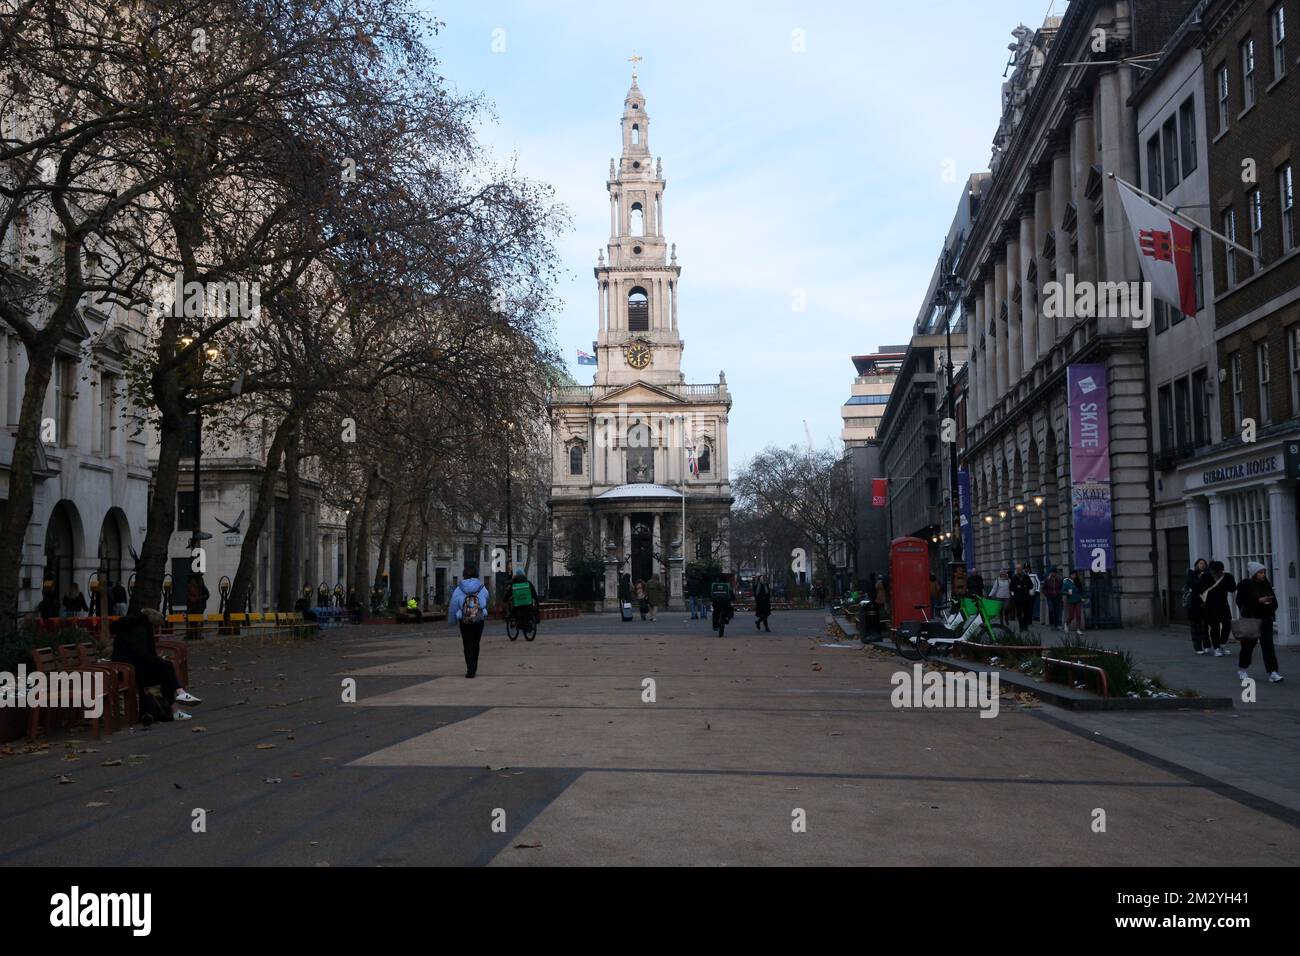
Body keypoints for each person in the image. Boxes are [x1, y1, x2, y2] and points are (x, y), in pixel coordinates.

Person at [112, 608, 201, 722]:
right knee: (165, 668)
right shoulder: (139, 631)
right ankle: (177, 699)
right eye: (156, 627)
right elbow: (141, 654)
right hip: (127, 669)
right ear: (152, 623)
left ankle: (169, 708)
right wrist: (158, 661)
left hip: (130, 666)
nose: (157, 631)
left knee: (162, 671)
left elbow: (139, 654)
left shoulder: (133, 627)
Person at [1235, 562, 1283, 682]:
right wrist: (1258, 600)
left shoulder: (1266, 584)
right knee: (1248, 646)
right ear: (1254, 574)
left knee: (1268, 646)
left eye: (1264, 572)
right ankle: (1242, 669)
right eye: (1260, 572)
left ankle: (1272, 672)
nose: (1263, 575)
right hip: (1251, 619)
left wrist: (1269, 603)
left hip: (1266, 619)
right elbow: (1240, 601)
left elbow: (1274, 602)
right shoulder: (1247, 585)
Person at [449, 563, 489, 678]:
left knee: (467, 643)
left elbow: (453, 606)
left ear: (463, 575)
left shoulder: (458, 589)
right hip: (478, 620)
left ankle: (470, 669)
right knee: (476, 643)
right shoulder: (482, 588)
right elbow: (486, 601)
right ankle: (475, 666)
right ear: (477, 575)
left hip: (464, 619)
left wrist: (452, 621)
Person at [1196, 560, 1235, 657]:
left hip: (1223, 605)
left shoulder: (1227, 577)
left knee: (1227, 624)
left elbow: (1232, 588)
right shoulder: (1206, 577)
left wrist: (1224, 585)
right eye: (1213, 571)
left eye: (1217, 571)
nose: (1215, 573)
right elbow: (1199, 589)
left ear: (1221, 571)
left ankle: (1222, 644)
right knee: (1215, 627)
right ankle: (1216, 647)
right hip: (1210, 606)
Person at [1184, 558, 1210, 654]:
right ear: (1196, 565)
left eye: (1204, 563)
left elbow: (1208, 586)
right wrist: (1201, 579)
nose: (1202, 565)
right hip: (1194, 604)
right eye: (1200, 563)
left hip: (1204, 603)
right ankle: (1198, 647)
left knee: (1204, 626)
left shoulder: (1207, 574)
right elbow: (1193, 584)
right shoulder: (1192, 574)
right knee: (1195, 626)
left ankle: (1207, 645)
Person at [507, 567, 538, 632]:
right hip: (528, 604)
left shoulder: (514, 584)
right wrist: (537, 602)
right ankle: (528, 624)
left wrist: (504, 599)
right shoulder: (528, 583)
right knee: (529, 612)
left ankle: (518, 623)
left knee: (513, 612)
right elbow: (534, 593)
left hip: (518, 605)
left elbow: (508, 593)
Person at [1010, 563, 1034, 635]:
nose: (1018, 570)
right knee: (1019, 613)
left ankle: (1025, 625)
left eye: (1020, 569)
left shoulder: (1026, 577)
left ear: (1022, 569)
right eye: (1017, 569)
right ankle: (1021, 626)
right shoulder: (1014, 577)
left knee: (1026, 613)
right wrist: (1017, 587)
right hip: (1018, 598)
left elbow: (1031, 586)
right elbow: (1011, 588)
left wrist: (1023, 586)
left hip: (1026, 598)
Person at [1063, 569, 1085, 636]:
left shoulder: (1078, 581)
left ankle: (1078, 629)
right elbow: (1062, 591)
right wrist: (1067, 593)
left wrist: (1082, 597)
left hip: (1078, 600)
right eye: (1073, 574)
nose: (1074, 576)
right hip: (1071, 600)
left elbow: (1081, 590)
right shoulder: (1067, 582)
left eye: (1075, 575)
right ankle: (1066, 624)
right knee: (1071, 615)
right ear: (1070, 575)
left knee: (1078, 615)